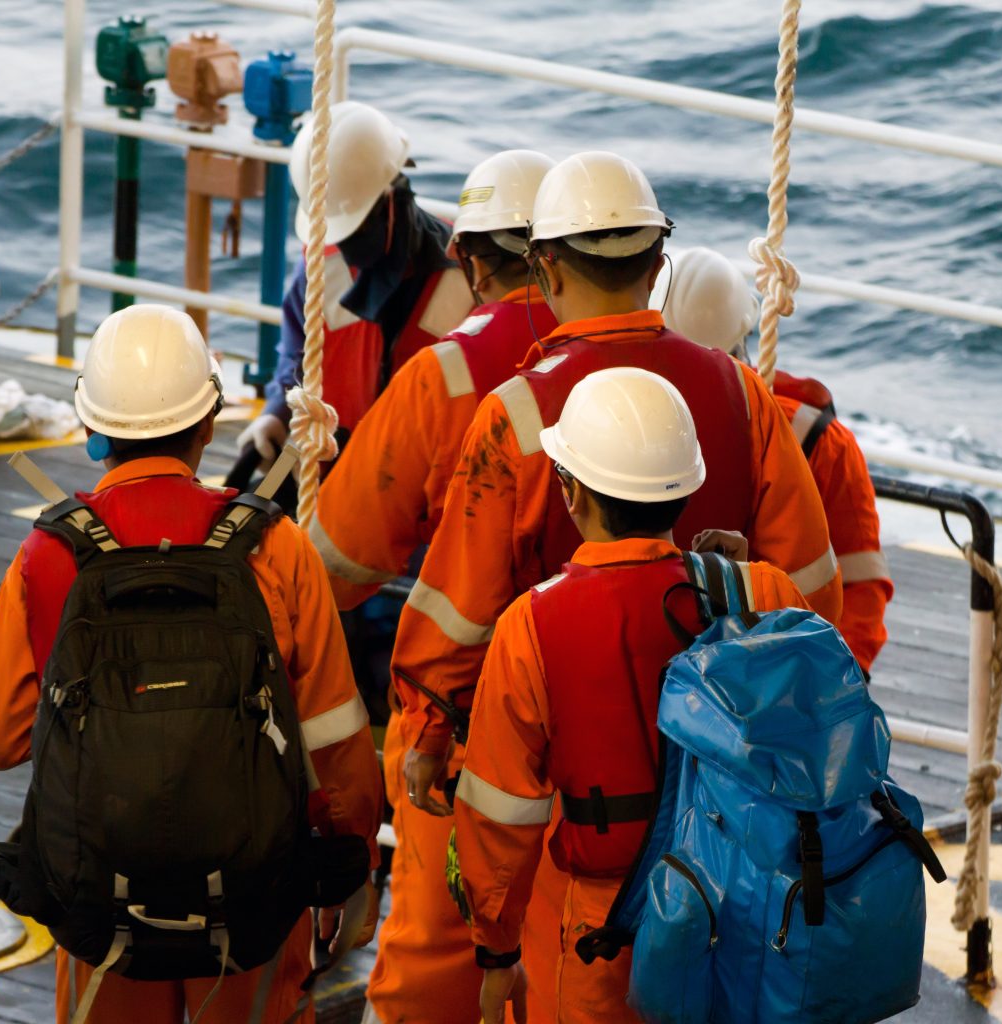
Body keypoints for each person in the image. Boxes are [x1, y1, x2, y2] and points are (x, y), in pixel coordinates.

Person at [386, 151, 841, 1022]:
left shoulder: (518, 414)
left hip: (582, 830)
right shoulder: (743, 395)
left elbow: (456, 613)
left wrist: (430, 729)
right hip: (727, 819)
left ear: (546, 267)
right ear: (657, 264)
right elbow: (816, 608)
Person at [0, 305, 384, 1024]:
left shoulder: (51, 555)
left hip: (103, 898)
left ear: (92, 429)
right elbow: (334, 742)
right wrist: (353, 873)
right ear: (209, 419)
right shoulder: (275, 547)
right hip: (252, 899)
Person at [453, 367, 813, 1023]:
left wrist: (497, 949)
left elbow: (497, 818)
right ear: (687, 487)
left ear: (570, 490)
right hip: (750, 911)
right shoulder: (761, 593)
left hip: (608, 929)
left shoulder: (529, 626)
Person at [309, 148, 561, 1024]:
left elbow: (334, 563)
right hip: (637, 727)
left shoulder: (449, 376)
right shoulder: (690, 374)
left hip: (461, 734)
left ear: (471, 256)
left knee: (434, 966)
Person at [312, 149, 559, 609]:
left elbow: (337, 563)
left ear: (471, 262)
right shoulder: (711, 375)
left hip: (472, 662)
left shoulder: (440, 374)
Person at [658, 245, 892, 671]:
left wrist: (828, 686)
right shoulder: (629, 443)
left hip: (782, 677)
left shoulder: (819, 444)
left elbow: (862, 592)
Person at [234, 101, 473, 484]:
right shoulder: (319, 270)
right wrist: (275, 412)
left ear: (392, 197)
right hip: (330, 481)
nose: (348, 245)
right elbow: (299, 354)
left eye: (356, 228)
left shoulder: (465, 281)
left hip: (426, 499)